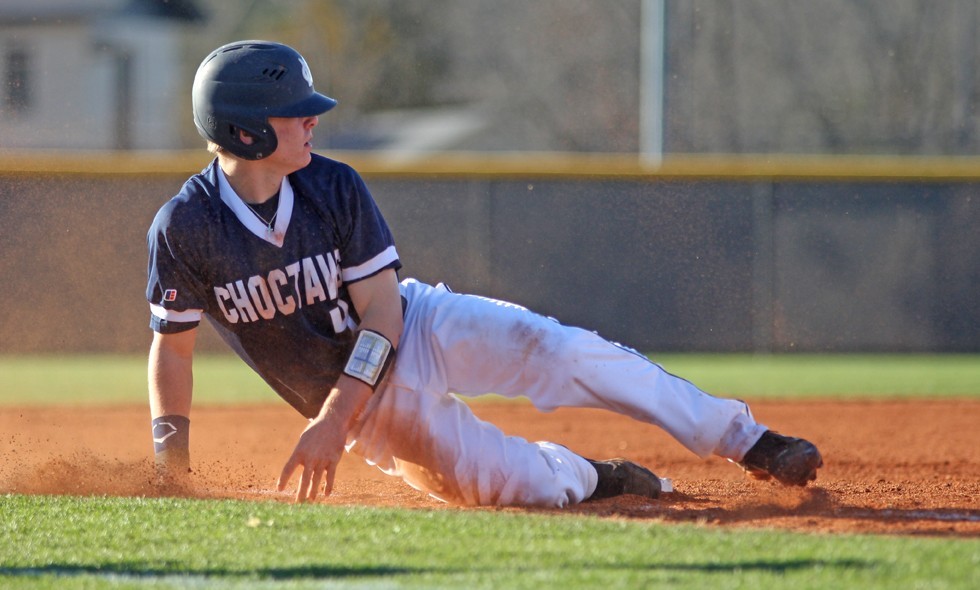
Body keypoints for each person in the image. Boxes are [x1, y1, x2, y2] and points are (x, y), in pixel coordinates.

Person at [146, 40, 822, 508]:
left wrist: (329, 418)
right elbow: (172, 351)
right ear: (245, 133)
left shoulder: (334, 187)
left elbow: (382, 313)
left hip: (416, 329)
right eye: (295, 111)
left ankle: (748, 440)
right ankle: (593, 477)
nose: (311, 121)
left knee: (560, 350)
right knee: (516, 488)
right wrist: (170, 469)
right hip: (379, 417)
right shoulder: (186, 227)